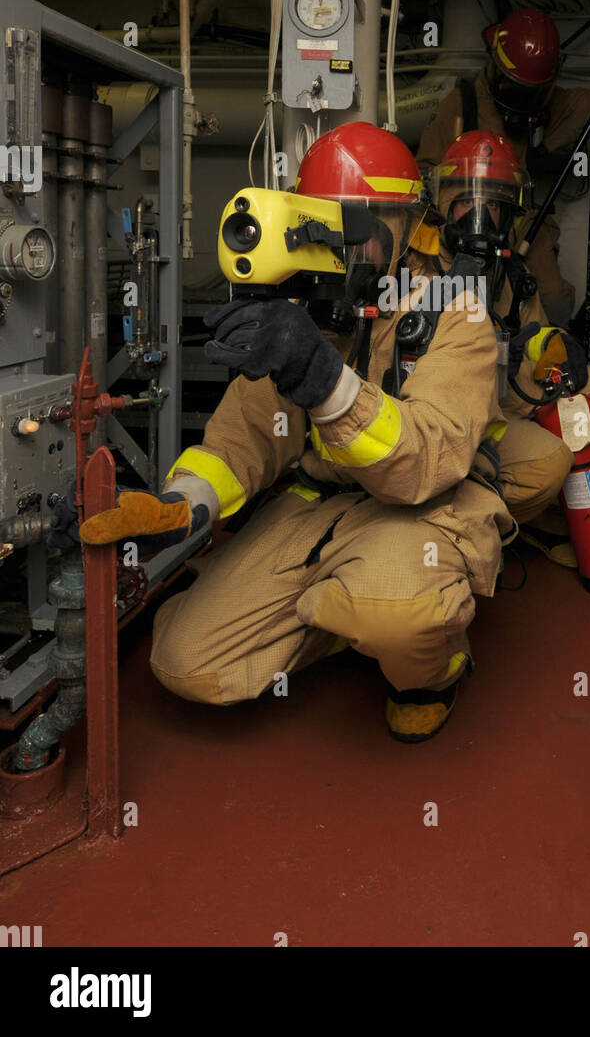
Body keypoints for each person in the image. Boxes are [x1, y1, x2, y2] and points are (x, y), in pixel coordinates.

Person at [62, 123, 516, 743]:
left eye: (360, 227)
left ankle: (433, 670)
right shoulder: (303, 319)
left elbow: (421, 464)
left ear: (409, 228)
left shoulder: (455, 315)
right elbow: (243, 439)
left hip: (422, 512)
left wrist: (322, 378)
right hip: (314, 506)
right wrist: (184, 501)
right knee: (185, 663)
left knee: (396, 609)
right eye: (326, 226)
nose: (345, 249)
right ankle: (337, 615)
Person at [428, 129, 590, 566]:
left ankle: (551, 517)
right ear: (445, 204)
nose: (479, 217)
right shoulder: (419, 267)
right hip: (459, 411)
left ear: (508, 213)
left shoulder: (512, 272)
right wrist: (451, 291)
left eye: (494, 205)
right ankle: (478, 528)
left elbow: (536, 331)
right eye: (467, 202)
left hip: (510, 392)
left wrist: (550, 343)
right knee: (546, 463)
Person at [415, 6, 590, 326]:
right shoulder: (462, 107)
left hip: (522, 223)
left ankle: (546, 364)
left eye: (531, 92)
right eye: (513, 87)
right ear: (496, 68)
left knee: (553, 301)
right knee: (455, 301)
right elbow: (425, 175)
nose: (521, 99)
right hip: (464, 223)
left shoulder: (550, 106)